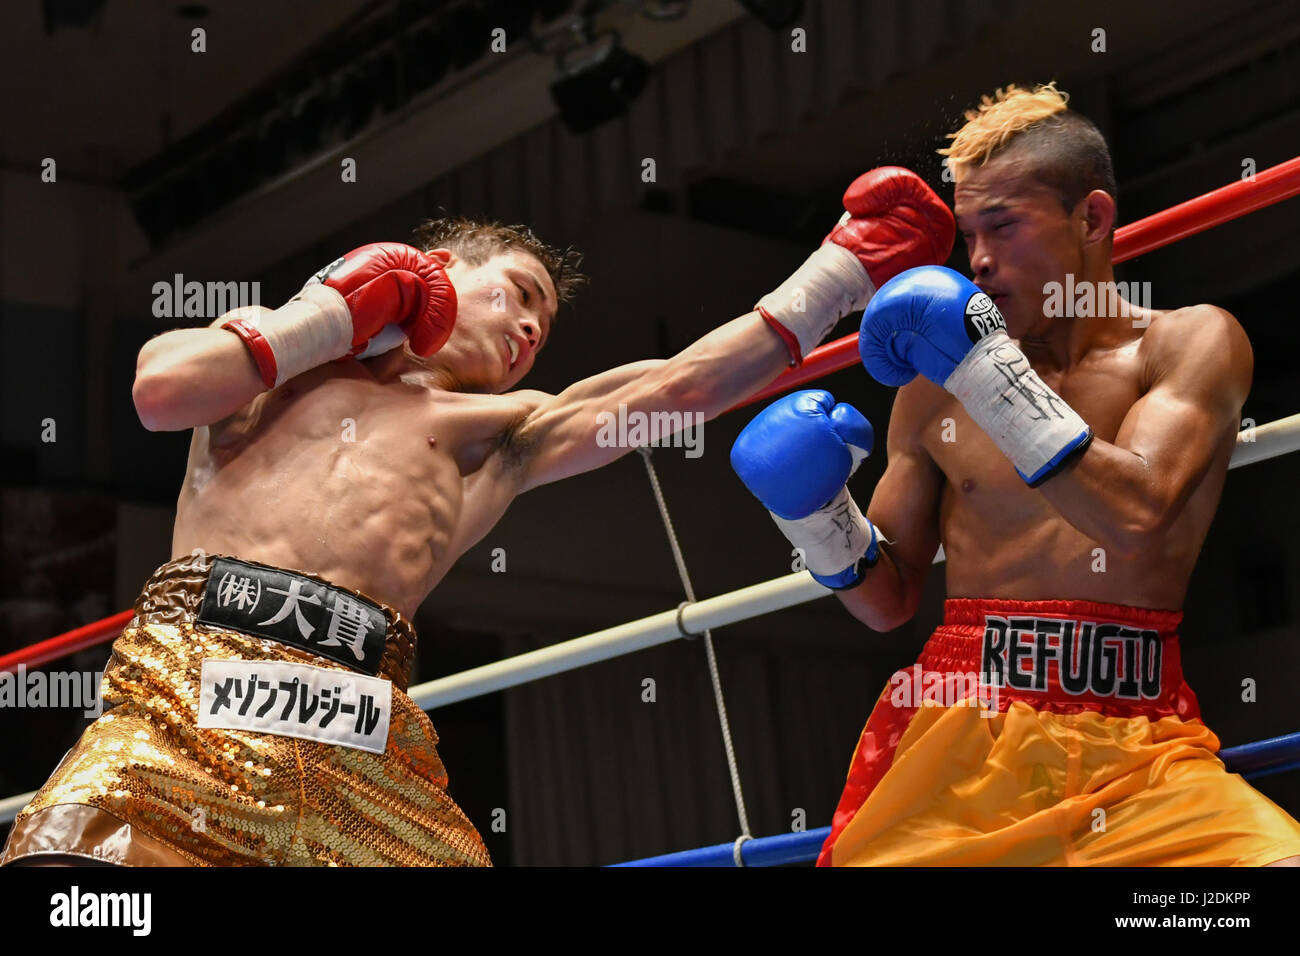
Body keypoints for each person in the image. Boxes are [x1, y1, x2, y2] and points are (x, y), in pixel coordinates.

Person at [0, 168, 954, 866]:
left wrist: (839, 273)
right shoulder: (270, 368)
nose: (533, 331)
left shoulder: (510, 431)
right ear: (443, 270)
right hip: (189, 679)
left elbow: (683, 387)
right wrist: (331, 313)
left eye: (545, 327)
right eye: (521, 296)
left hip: (358, 727)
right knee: (70, 874)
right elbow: (161, 390)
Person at [730, 84, 1300, 866]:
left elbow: (1136, 515)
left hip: (1140, 750)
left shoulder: (1187, 344)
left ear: (1092, 219)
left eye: (1003, 225)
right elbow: (889, 599)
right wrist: (814, 515)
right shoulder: (930, 388)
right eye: (968, 236)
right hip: (958, 746)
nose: (982, 261)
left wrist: (985, 371)